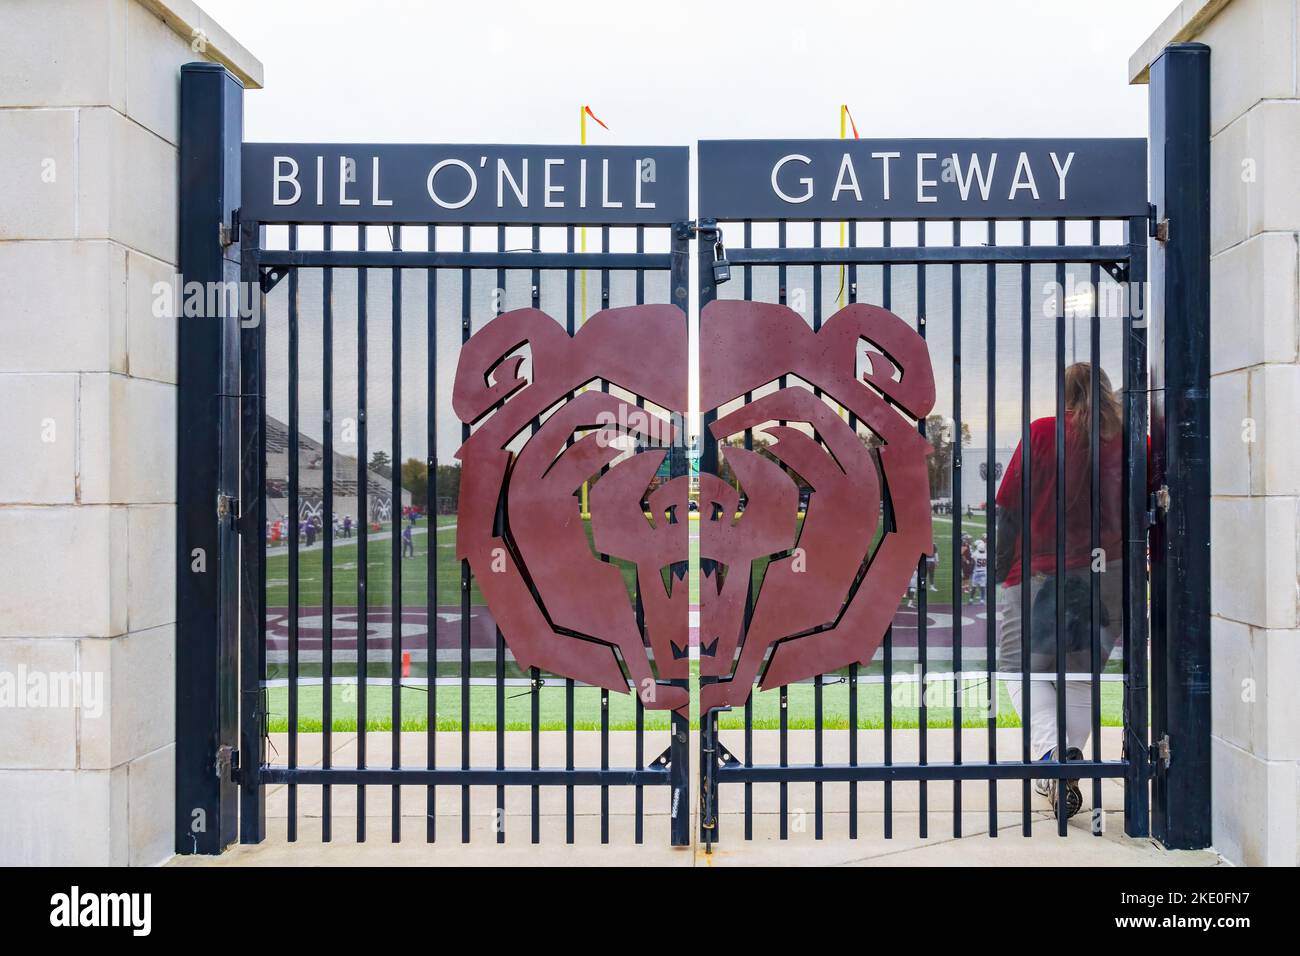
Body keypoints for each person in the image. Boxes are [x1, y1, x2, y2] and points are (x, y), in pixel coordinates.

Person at [994, 362, 1124, 820]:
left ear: (1063, 394)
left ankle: (1054, 758)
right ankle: (1059, 764)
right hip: (1105, 574)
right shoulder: (1126, 439)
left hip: (1035, 571)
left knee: (1018, 670)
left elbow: (1008, 503)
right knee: (1080, 676)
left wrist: (999, 568)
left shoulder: (1044, 432)